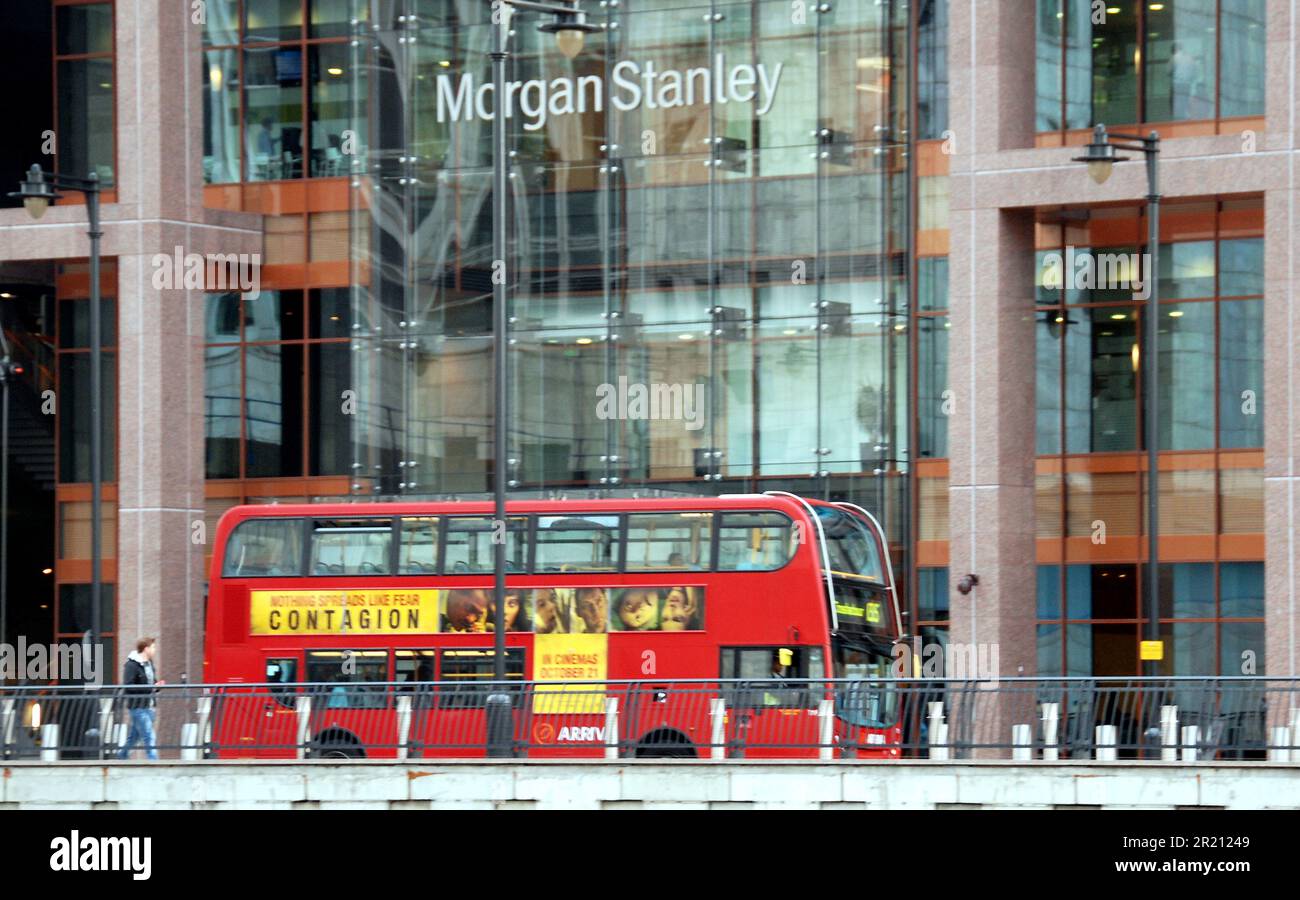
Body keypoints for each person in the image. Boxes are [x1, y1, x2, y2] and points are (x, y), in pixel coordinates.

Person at [118, 637, 165, 760]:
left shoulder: (150, 664)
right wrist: (149, 688)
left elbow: (151, 683)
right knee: (149, 736)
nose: (155, 650)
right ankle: (154, 762)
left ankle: (121, 756)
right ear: (146, 648)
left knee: (134, 737)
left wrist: (157, 686)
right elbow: (128, 686)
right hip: (137, 706)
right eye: (153, 647)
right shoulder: (131, 665)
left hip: (149, 706)